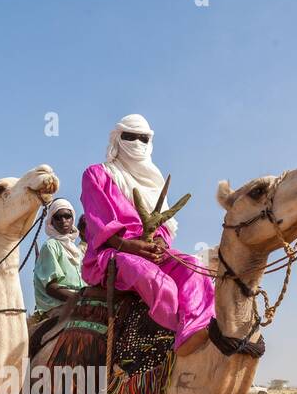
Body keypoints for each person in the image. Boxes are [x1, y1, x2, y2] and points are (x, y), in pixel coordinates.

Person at [80, 114, 214, 354]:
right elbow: (100, 223)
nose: (136, 143)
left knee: (194, 267)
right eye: (129, 137)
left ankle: (198, 328)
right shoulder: (97, 174)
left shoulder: (153, 181)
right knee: (153, 278)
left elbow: (163, 224)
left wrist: (159, 242)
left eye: (143, 138)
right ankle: (174, 336)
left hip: (152, 250)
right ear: (117, 139)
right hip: (114, 252)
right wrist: (131, 246)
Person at [31, 198, 85, 322]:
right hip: (59, 306)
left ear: (72, 219)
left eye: (67, 216)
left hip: (80, 302)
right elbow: (51, 287)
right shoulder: (51, 246)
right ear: (51, 222)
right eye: (58, 217)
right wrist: (79, 299)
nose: (63, 221)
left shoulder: (77, 251)